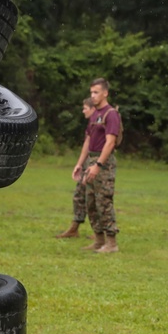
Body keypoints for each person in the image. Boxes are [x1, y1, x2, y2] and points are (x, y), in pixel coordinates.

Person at [73, 77, 122, 253]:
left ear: (105, 93)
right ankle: (99, 240)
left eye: (96, 92)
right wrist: (80, 164)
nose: (92, 96)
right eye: (91, 92)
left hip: (103, 163)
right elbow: (88, 140)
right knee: (90, 202)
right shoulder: (94, 114)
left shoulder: (111, 114)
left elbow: (110, 142)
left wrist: (98, 165)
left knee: (104, 201)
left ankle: (111, 243)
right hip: (91, 161)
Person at [56, 98, 97, 239]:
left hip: (97, 162)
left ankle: (100, 232)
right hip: (88, 161)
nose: (83, 110)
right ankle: (74, 228)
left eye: (85, 108)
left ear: (93, 109)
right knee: (79, 195)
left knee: (96, 198)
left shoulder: (101, 122)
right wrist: (79, 164)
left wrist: (96, 165)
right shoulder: (91, 124)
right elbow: (87, 144)